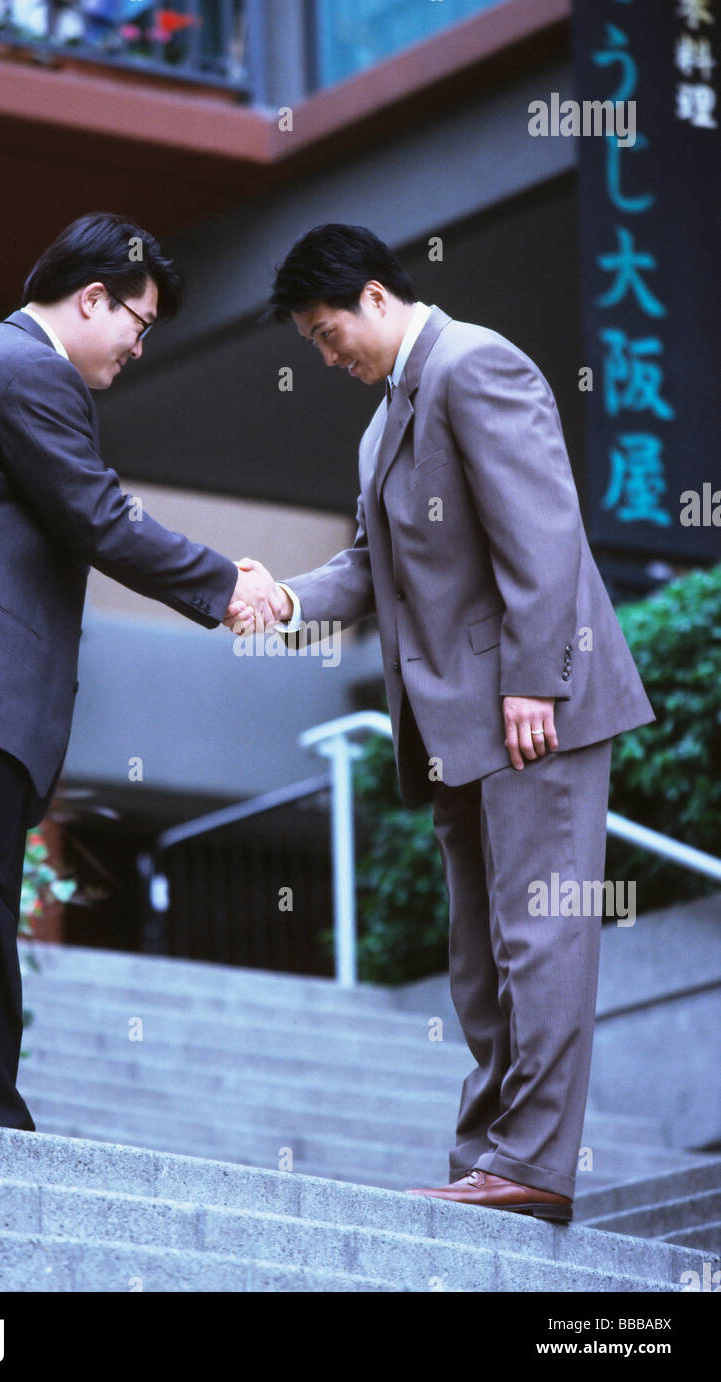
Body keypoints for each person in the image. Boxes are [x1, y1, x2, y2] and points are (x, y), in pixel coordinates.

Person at [226, 223, 655, 1222]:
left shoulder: (475, 362)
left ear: (376, 297)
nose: (328, 358)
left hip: (530, 705)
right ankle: (488, 1155)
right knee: (479, 953)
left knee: (537, 935)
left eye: (330, 334)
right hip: (456, 725)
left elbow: (543, 531)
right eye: (315, 345)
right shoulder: (382, 427)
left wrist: (535, 684)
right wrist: (282, 602)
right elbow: (373, 570)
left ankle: (535, 1164)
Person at [0, 211, 279, 1130]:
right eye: (140, 321)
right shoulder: (29, 371)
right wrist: (224, 584)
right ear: (94, 297)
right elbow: (100, 518)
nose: (137, 345)